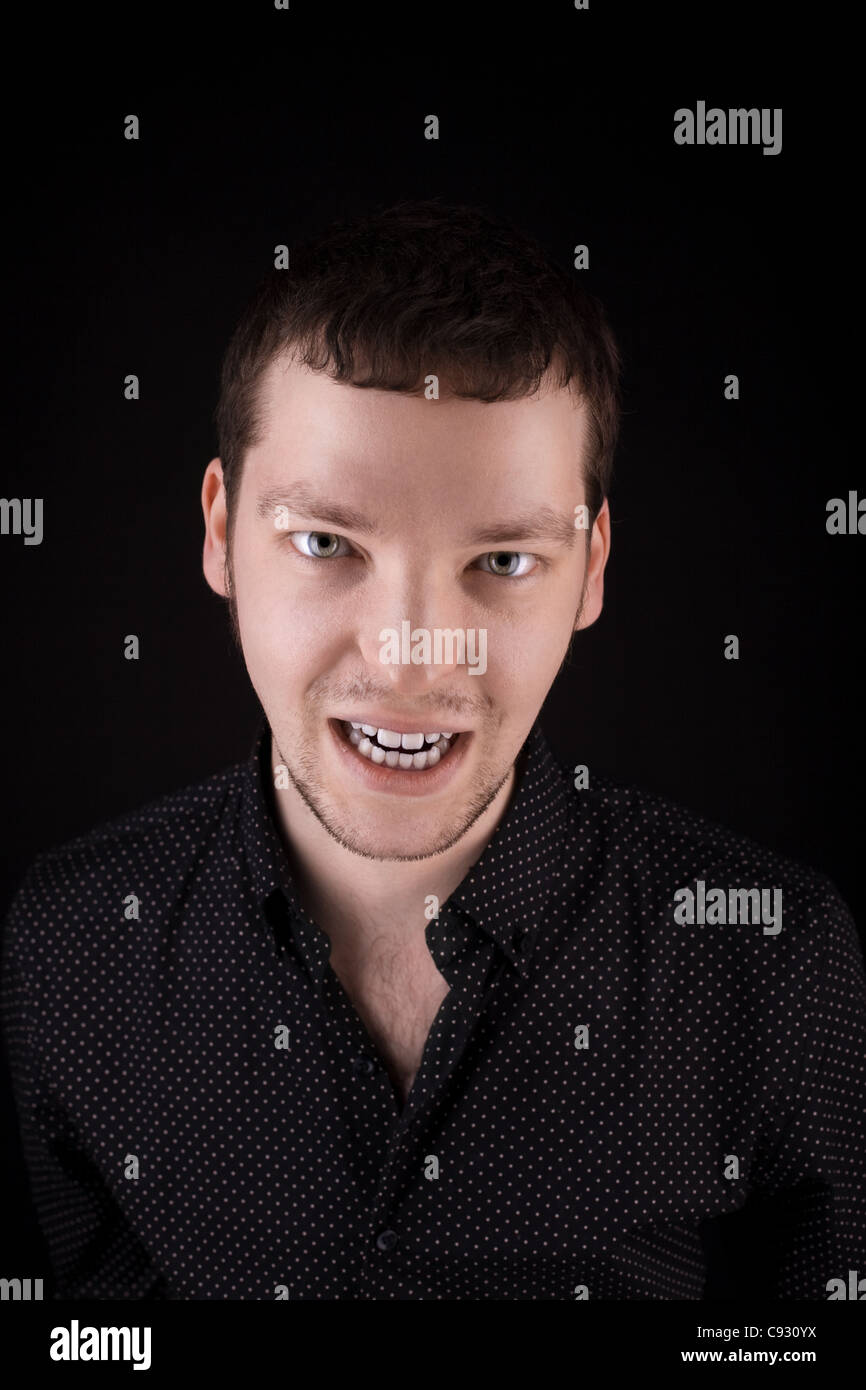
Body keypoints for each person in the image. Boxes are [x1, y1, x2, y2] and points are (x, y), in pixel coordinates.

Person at [3, 199, 864, 1301]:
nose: (410, 659)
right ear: (219, 534)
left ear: (590, 566)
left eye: (501, 560)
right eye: (326, 543)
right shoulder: (68, 948)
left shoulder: (772, 965)